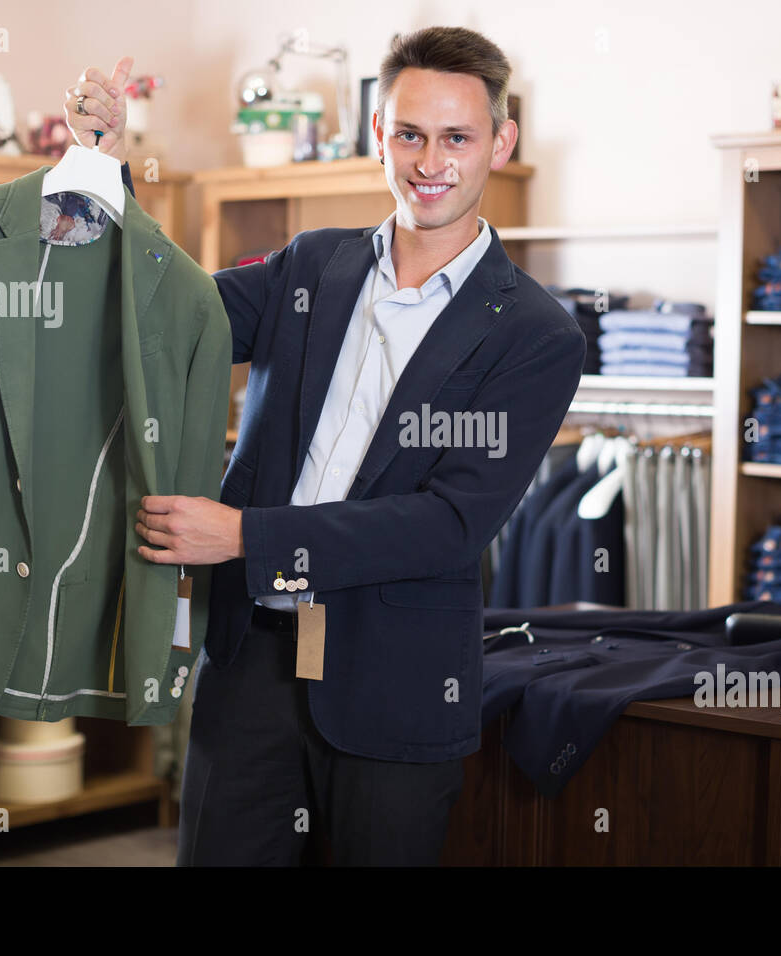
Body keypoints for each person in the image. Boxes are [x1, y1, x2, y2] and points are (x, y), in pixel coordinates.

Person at [64, 26, 585, 866]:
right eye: (410, 134)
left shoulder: (536, 334)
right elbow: (165, 315)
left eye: (458, 137)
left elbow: (448, 523)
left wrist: (243, 537)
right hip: (251, 671)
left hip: (397, 685)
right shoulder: (311, 266)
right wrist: (102, 169)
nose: (431, 160)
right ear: (378, 133)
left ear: (501, 142)